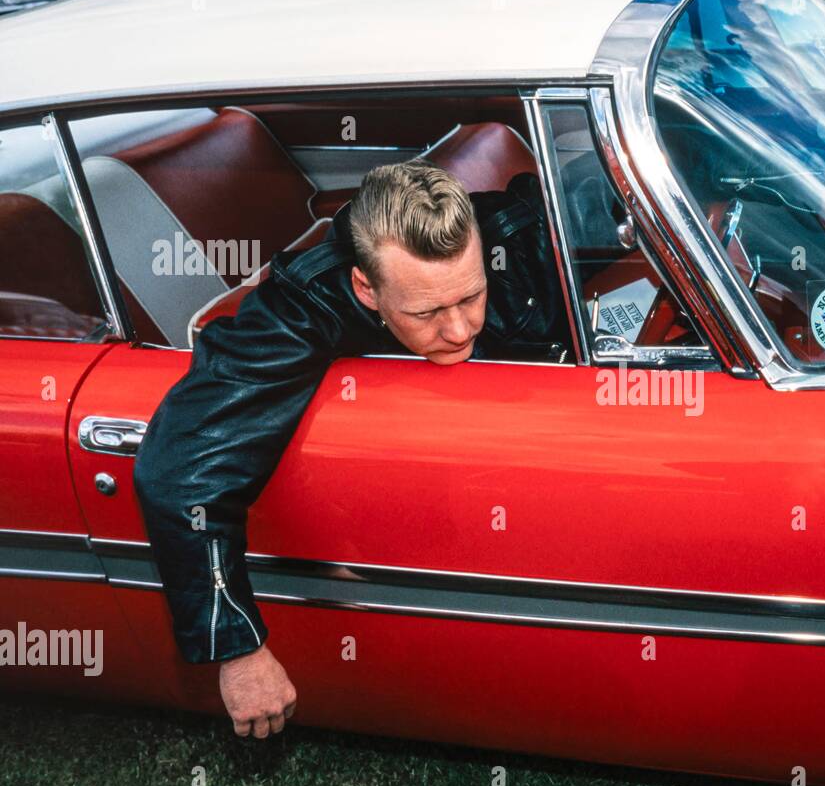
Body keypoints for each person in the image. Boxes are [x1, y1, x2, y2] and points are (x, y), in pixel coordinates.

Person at [133, 161, 561, 739]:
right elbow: (183, 471)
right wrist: (239, 650)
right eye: (427, 312)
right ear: (365, 287)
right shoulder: (301, 306)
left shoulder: (515, 227)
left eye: (471, 296)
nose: (460, 330)